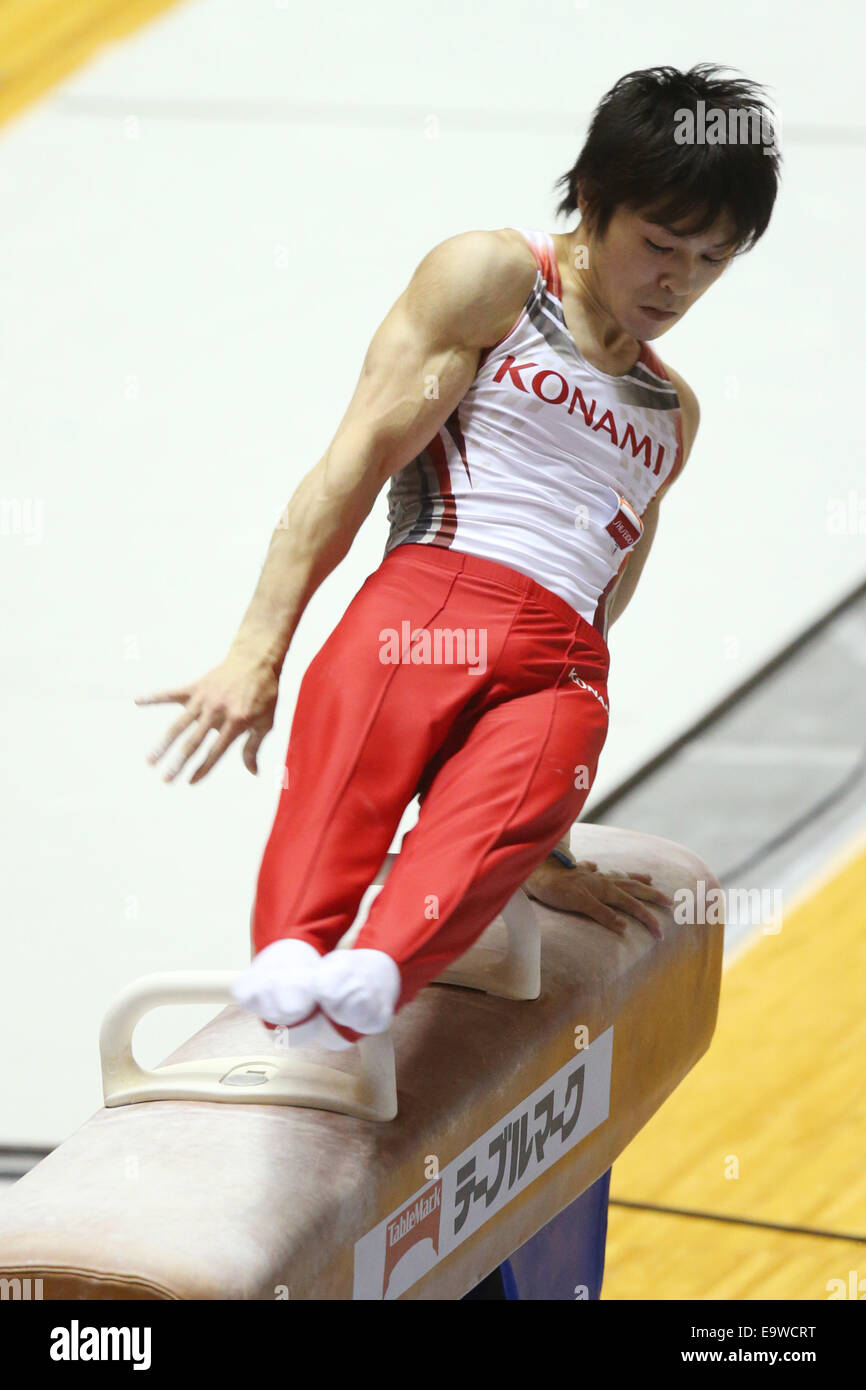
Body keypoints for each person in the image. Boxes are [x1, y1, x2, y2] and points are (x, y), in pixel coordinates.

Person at [136, 64, 780, 1049]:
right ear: (593, 202)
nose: (677, 282)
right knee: (350, 787)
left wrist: (548, 854)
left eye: (709, 259)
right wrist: (257, 650)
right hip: (432, 603)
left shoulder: (671, 413)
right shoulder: (495, 278)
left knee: (535, 769)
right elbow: (351, 463)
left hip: (562, 664)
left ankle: (381, 967)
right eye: (657, 244)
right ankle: (291, 951)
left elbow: (602, 607)